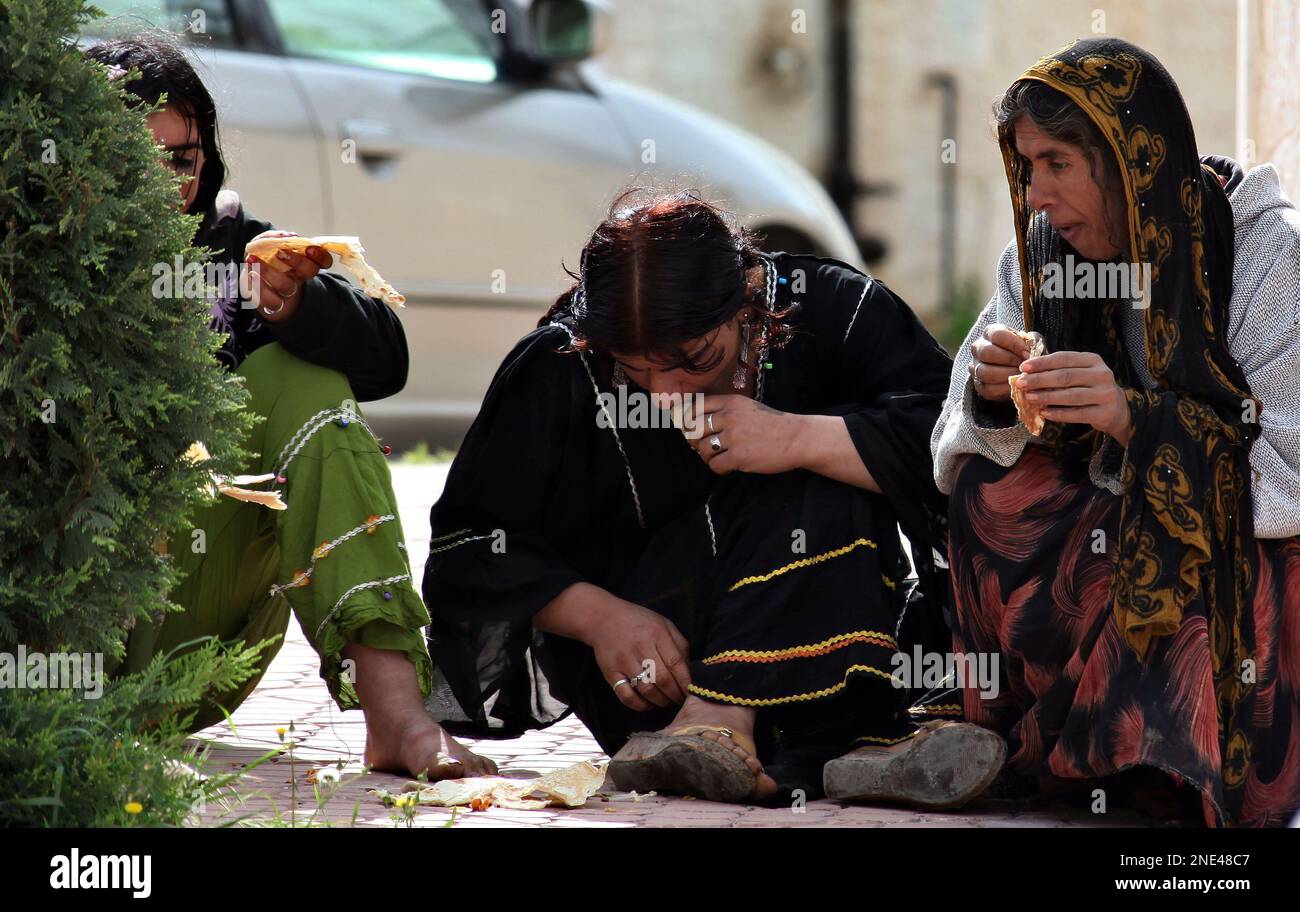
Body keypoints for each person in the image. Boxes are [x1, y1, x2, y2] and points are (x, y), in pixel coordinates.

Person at [422, 189, 1007, 805]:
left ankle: (808, 750)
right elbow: (469, 546)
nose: (668, 392)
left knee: (817, 473)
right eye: (637, 371)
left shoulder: (839, 310)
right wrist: (598, 616)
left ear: (749, 296)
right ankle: (774, 739)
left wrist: (797, 435)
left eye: (695, 358)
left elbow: (956, 446)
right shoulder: (562, 364)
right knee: (811, 479)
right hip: (653, 670)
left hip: (841, 644)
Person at [87, 34, 495, 779]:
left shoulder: (233, 251)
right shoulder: (34, 262)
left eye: (180, 158)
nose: (162, 179)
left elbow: (388, 362)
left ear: (204, 160)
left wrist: (294, 304)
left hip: (197, 651)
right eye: (131, 155)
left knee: (304, 379)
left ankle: (397, 717)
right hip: (53, 650)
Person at [932, 37, 1300, 826]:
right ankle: (1032, 746)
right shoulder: (1039, 258)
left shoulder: (1265, 256)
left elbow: (1292, 478)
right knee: (987, 488)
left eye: (1058, 164)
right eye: (1028, 166)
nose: (1036, 194)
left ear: (1131, 163)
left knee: (1173, 532)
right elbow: (948, 446)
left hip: (1252, 552)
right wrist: (994, 397)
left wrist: (1138, 423)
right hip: (1105, 523)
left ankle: (1164, 764)